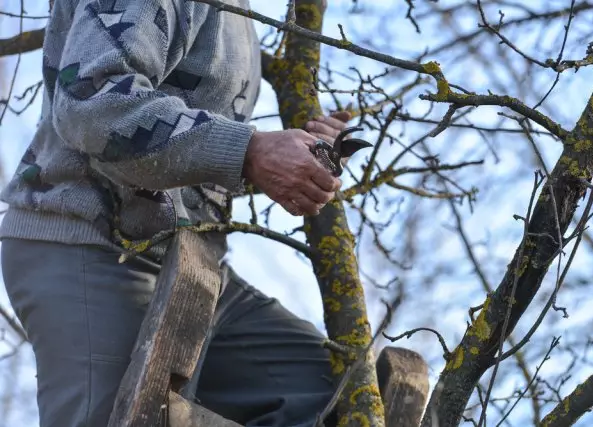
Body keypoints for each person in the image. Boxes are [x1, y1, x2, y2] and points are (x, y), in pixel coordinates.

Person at [0, 0, 350, 426]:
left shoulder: (239, 15)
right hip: (90, 244)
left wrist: (295, 154)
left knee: (336, 398)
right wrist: (251, 150)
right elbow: (93, 103)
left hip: (189, 266)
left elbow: (189, 141)